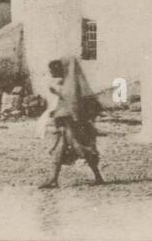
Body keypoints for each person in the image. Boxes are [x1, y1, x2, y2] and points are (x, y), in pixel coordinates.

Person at [39, 57, 104, 187]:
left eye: (53, 70)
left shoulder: (70, 87)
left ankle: (98, 176)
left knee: (83, 149)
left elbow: (72, 104)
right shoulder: (67, 84)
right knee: (58, 150)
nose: (51, 73)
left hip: (72, 125)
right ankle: (53, 179)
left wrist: (57, 92)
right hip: (65, 124)